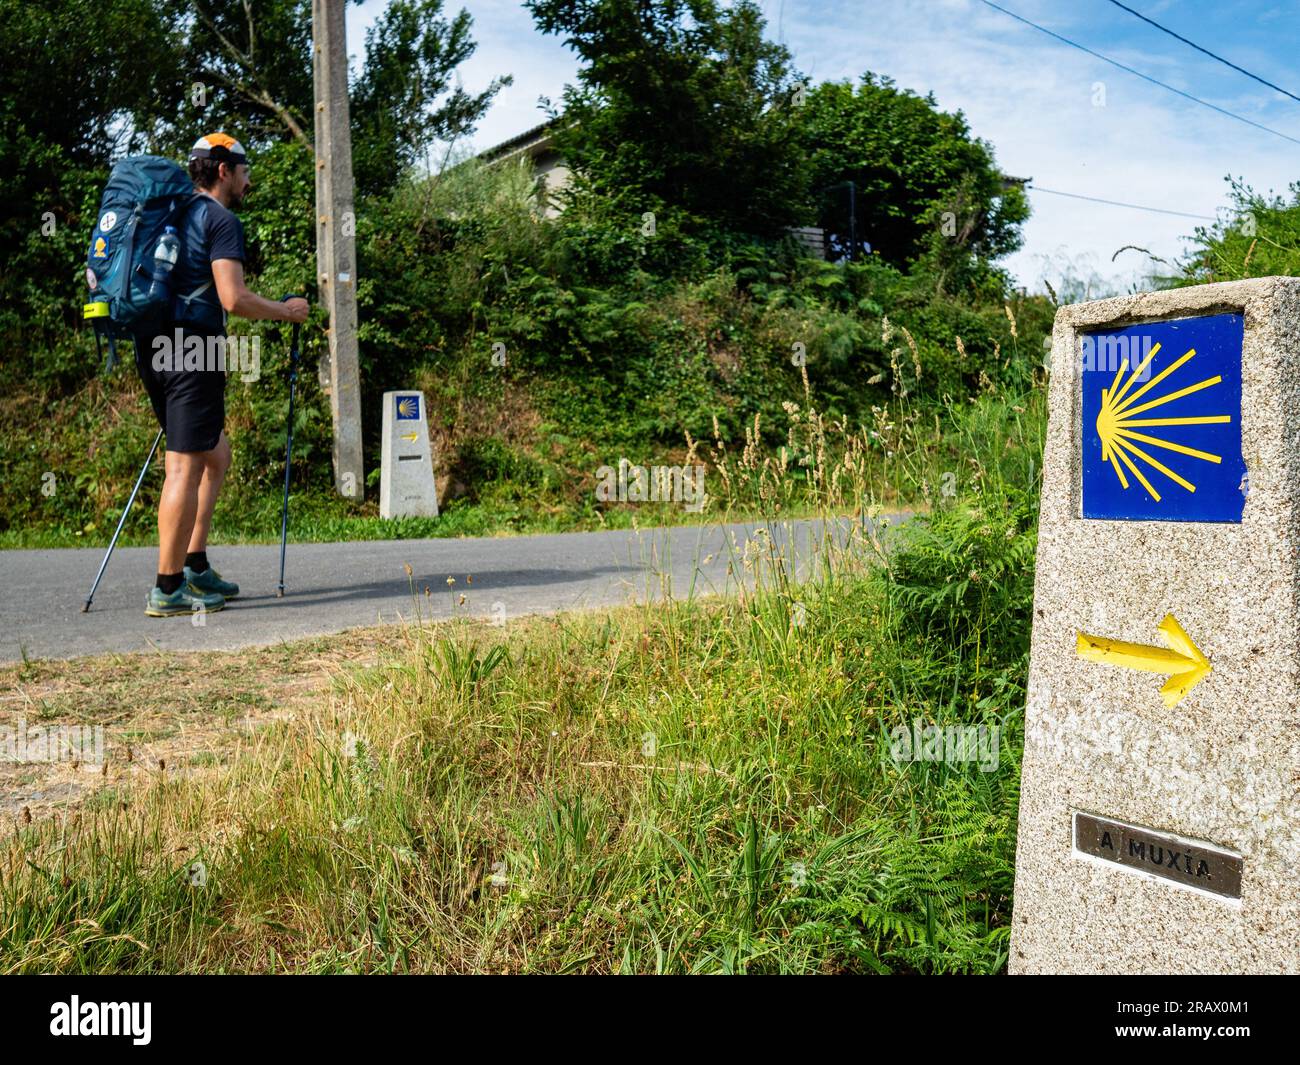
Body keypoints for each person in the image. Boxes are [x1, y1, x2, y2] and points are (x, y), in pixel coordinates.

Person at [135, 132, 309, 617]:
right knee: (184, 466)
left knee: (216, 453)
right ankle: (168, 589)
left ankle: (194, 563)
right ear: (223, 170)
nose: (249, 179)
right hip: (193, 349)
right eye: (245, 169)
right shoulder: (220, 219)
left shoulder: (166, 212)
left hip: (152, 346)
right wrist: (287, 311)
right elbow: (233, 298)